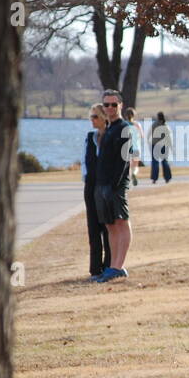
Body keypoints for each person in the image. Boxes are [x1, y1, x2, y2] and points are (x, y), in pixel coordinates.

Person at [93, 89, 133, 282]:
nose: (109, 108)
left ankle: (119, 267)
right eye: (106, 105)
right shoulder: (108, 128)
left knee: (121, 222)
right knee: (110, 225)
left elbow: (125, 160)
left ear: (120, 106)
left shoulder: (124, 128)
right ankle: (112, 267)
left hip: (116, 186)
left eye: (113, 104)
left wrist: (114, 186)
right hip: (101, 185)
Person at [81, 102, 111, 281]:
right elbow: (85, 161)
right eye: (90, 116)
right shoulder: (89, 137)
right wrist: (86, 178)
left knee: (107, 226)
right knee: (93, 227)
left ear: (104, 118)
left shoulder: (111, 137)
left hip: (106, 185)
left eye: (95, 116)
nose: (92, 120)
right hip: (91, 186)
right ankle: (95, 269)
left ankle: (109, 265)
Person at [123, 105, 144, 186]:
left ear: (125, 115)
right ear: (134, 115)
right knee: (135, 165)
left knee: (127, 164)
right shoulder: (137, 124)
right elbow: (142, 135)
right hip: (136, 147)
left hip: (126, 147)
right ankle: (134, 174)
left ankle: (127, 179)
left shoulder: (124, 124)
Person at [150, 111, 173, 183]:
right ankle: (167, 178)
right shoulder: (165, 125)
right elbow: (169, 137)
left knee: (155, 162)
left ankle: (154, 178)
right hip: (164, 146)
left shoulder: (154, 124)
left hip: (155, 145)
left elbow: (150, 134)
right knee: (165, 161)